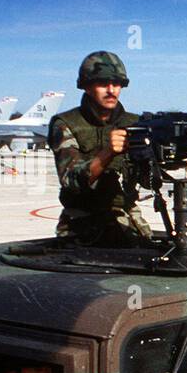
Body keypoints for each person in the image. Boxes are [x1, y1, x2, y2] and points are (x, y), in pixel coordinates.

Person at [48, 51, 151, 246]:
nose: (112, 90)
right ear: (86, 86)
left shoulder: (135, 123)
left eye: (117, 84)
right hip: (81, 225)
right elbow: (71, 180)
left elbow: (149, 181)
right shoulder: (66, 124)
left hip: (127, 219)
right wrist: (108, 152)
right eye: (103, 84)